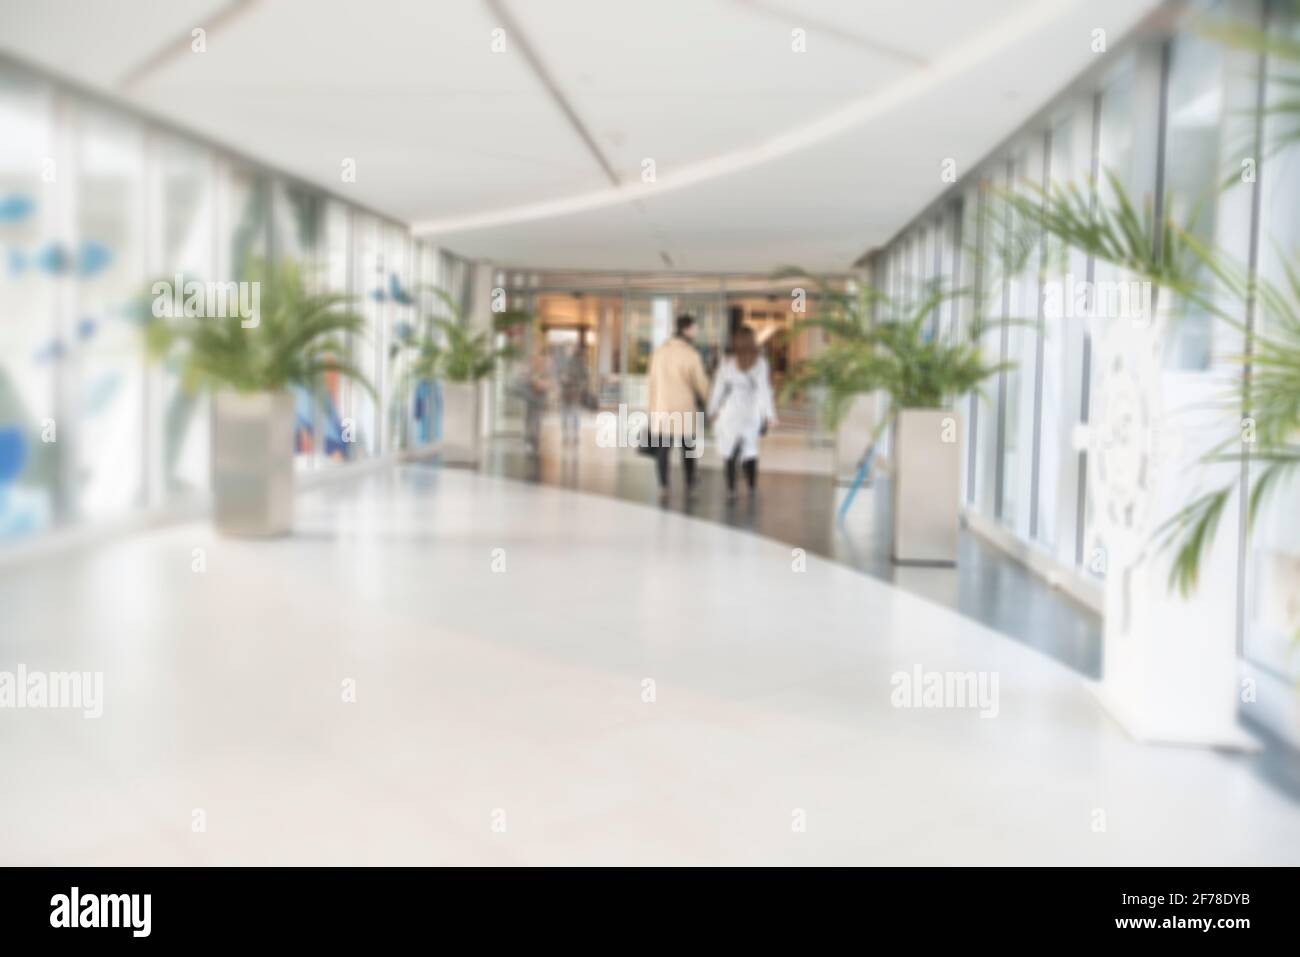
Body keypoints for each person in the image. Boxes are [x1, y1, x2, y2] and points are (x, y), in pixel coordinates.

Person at [707, 326, 776, 502]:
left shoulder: (727, 362)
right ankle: (751, 486)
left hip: (732, 411)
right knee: (750, 449)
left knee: (729, 451)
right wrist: (769, 415)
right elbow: (764, 391)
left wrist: (712, 409)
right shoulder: (760, 362)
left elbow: (718, 389)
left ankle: (731, 489)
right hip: (751, 411)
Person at [647, 314, 710, 503]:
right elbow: (701, 383)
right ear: (687, 329)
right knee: (688, 449)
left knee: (663, 450)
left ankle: (663, 487)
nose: (697, 331)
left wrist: (651, 408)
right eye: (695, 328)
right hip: (683, 409)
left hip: (663, 407)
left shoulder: (660, 352)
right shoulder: (690, 354)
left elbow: (651, 382)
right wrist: (710, 402)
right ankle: (690, 485)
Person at [559, 342, 589, 446]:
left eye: (571, 348)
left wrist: (579, 388)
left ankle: (575, 435)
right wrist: (562, 379)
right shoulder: (561, 361)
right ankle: (565, 435)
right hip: (564, 393)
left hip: (575, 393)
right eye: (568, 348)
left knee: (575, 414)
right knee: (564, 414)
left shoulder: (580, 363)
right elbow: (557, 375)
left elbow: (585, 378)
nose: (570, 350)